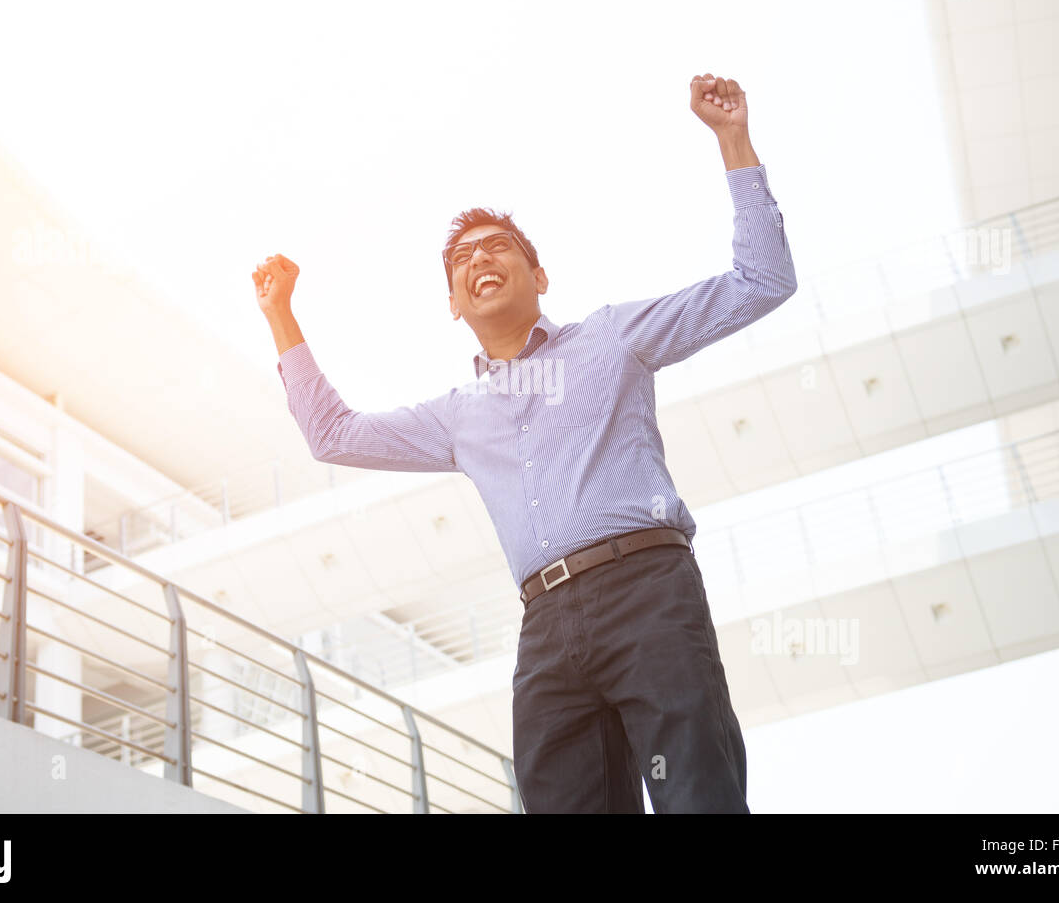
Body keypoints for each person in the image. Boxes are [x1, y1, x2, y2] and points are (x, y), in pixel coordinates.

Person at [252, 73, 796, 813]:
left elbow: (760, 281)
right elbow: (332, 433)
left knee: (696, 794)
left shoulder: (612, 338)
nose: (481, 259)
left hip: (645, 592)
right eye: (463, 259)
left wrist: (733, 139)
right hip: (545, 629)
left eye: (498, 246)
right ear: (452, 303)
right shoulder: (457, 415)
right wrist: (282, 314)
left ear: (537, 273)